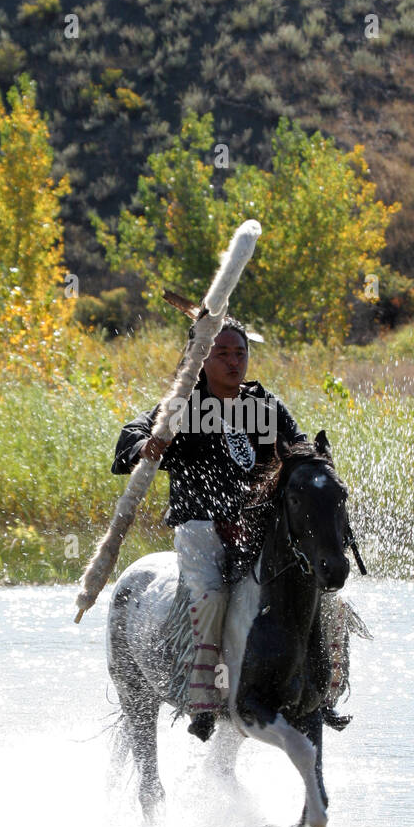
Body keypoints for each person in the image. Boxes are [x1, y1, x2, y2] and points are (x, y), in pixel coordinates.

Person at [112, 318, 308, 741]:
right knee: (212, 596)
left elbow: (299, 449)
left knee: (317, 587)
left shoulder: (264, 407)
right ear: (201, 360)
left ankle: (320, 686)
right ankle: (203, 696)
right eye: (223, 354)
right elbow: (131, 436)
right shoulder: (181, 407)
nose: (234, 362)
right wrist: (143, 447)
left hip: (258, 532)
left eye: (240, 353)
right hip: (202, 532)